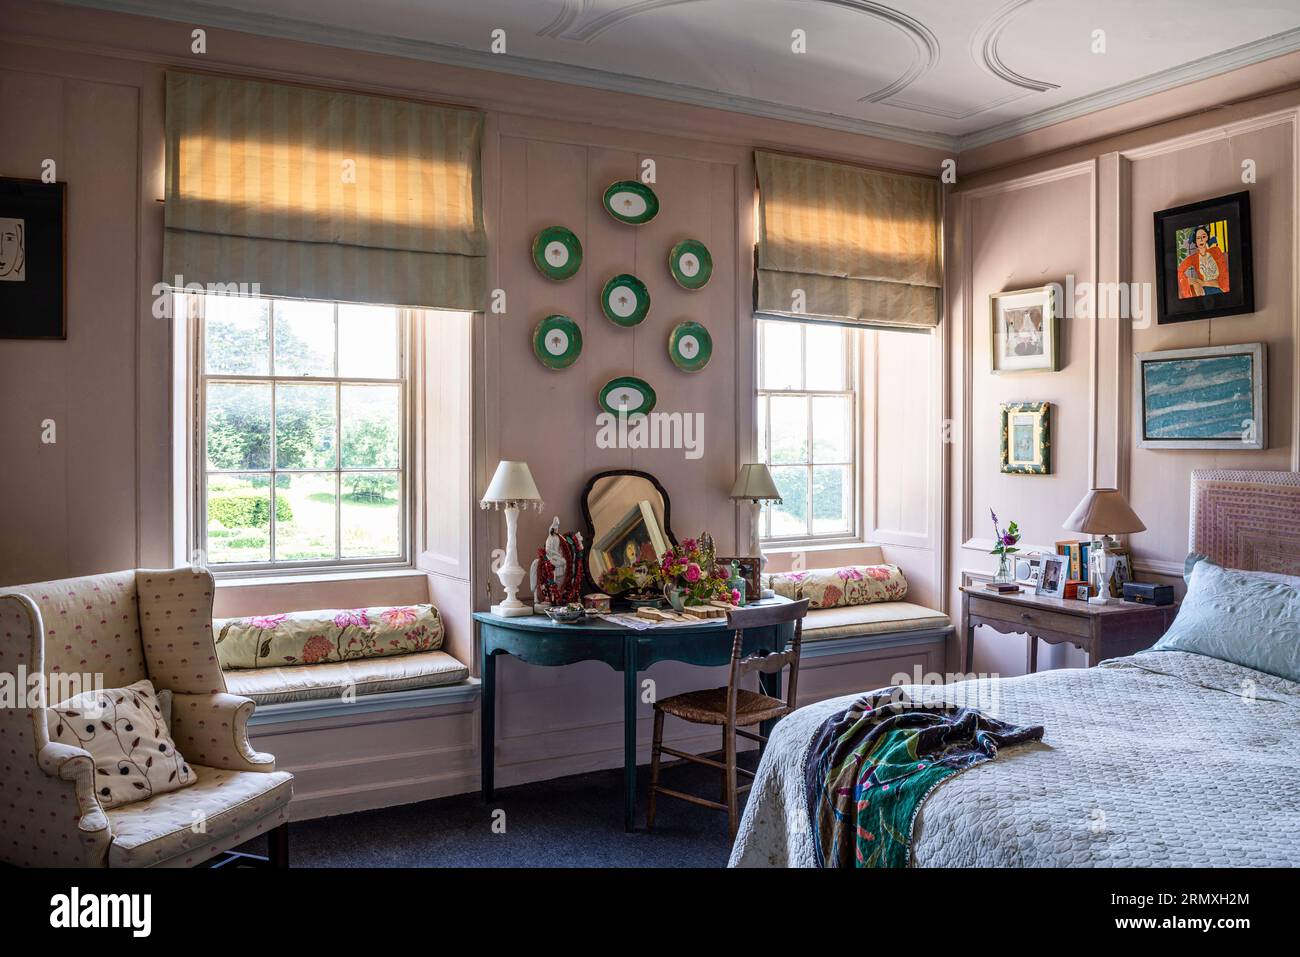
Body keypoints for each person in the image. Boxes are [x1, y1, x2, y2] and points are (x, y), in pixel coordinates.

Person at [1176, 225, 1229, 298]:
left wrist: (1203, 283)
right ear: (1196, 241)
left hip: (1221, 288)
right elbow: (1179, 271)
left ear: (1207, 238)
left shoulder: (1216, 251)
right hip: (1205, 291)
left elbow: (1224, 278)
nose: (1201, 240)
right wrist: (1194, 282)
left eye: (1203, 237)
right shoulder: (1193, 258)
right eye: (1198, 238)